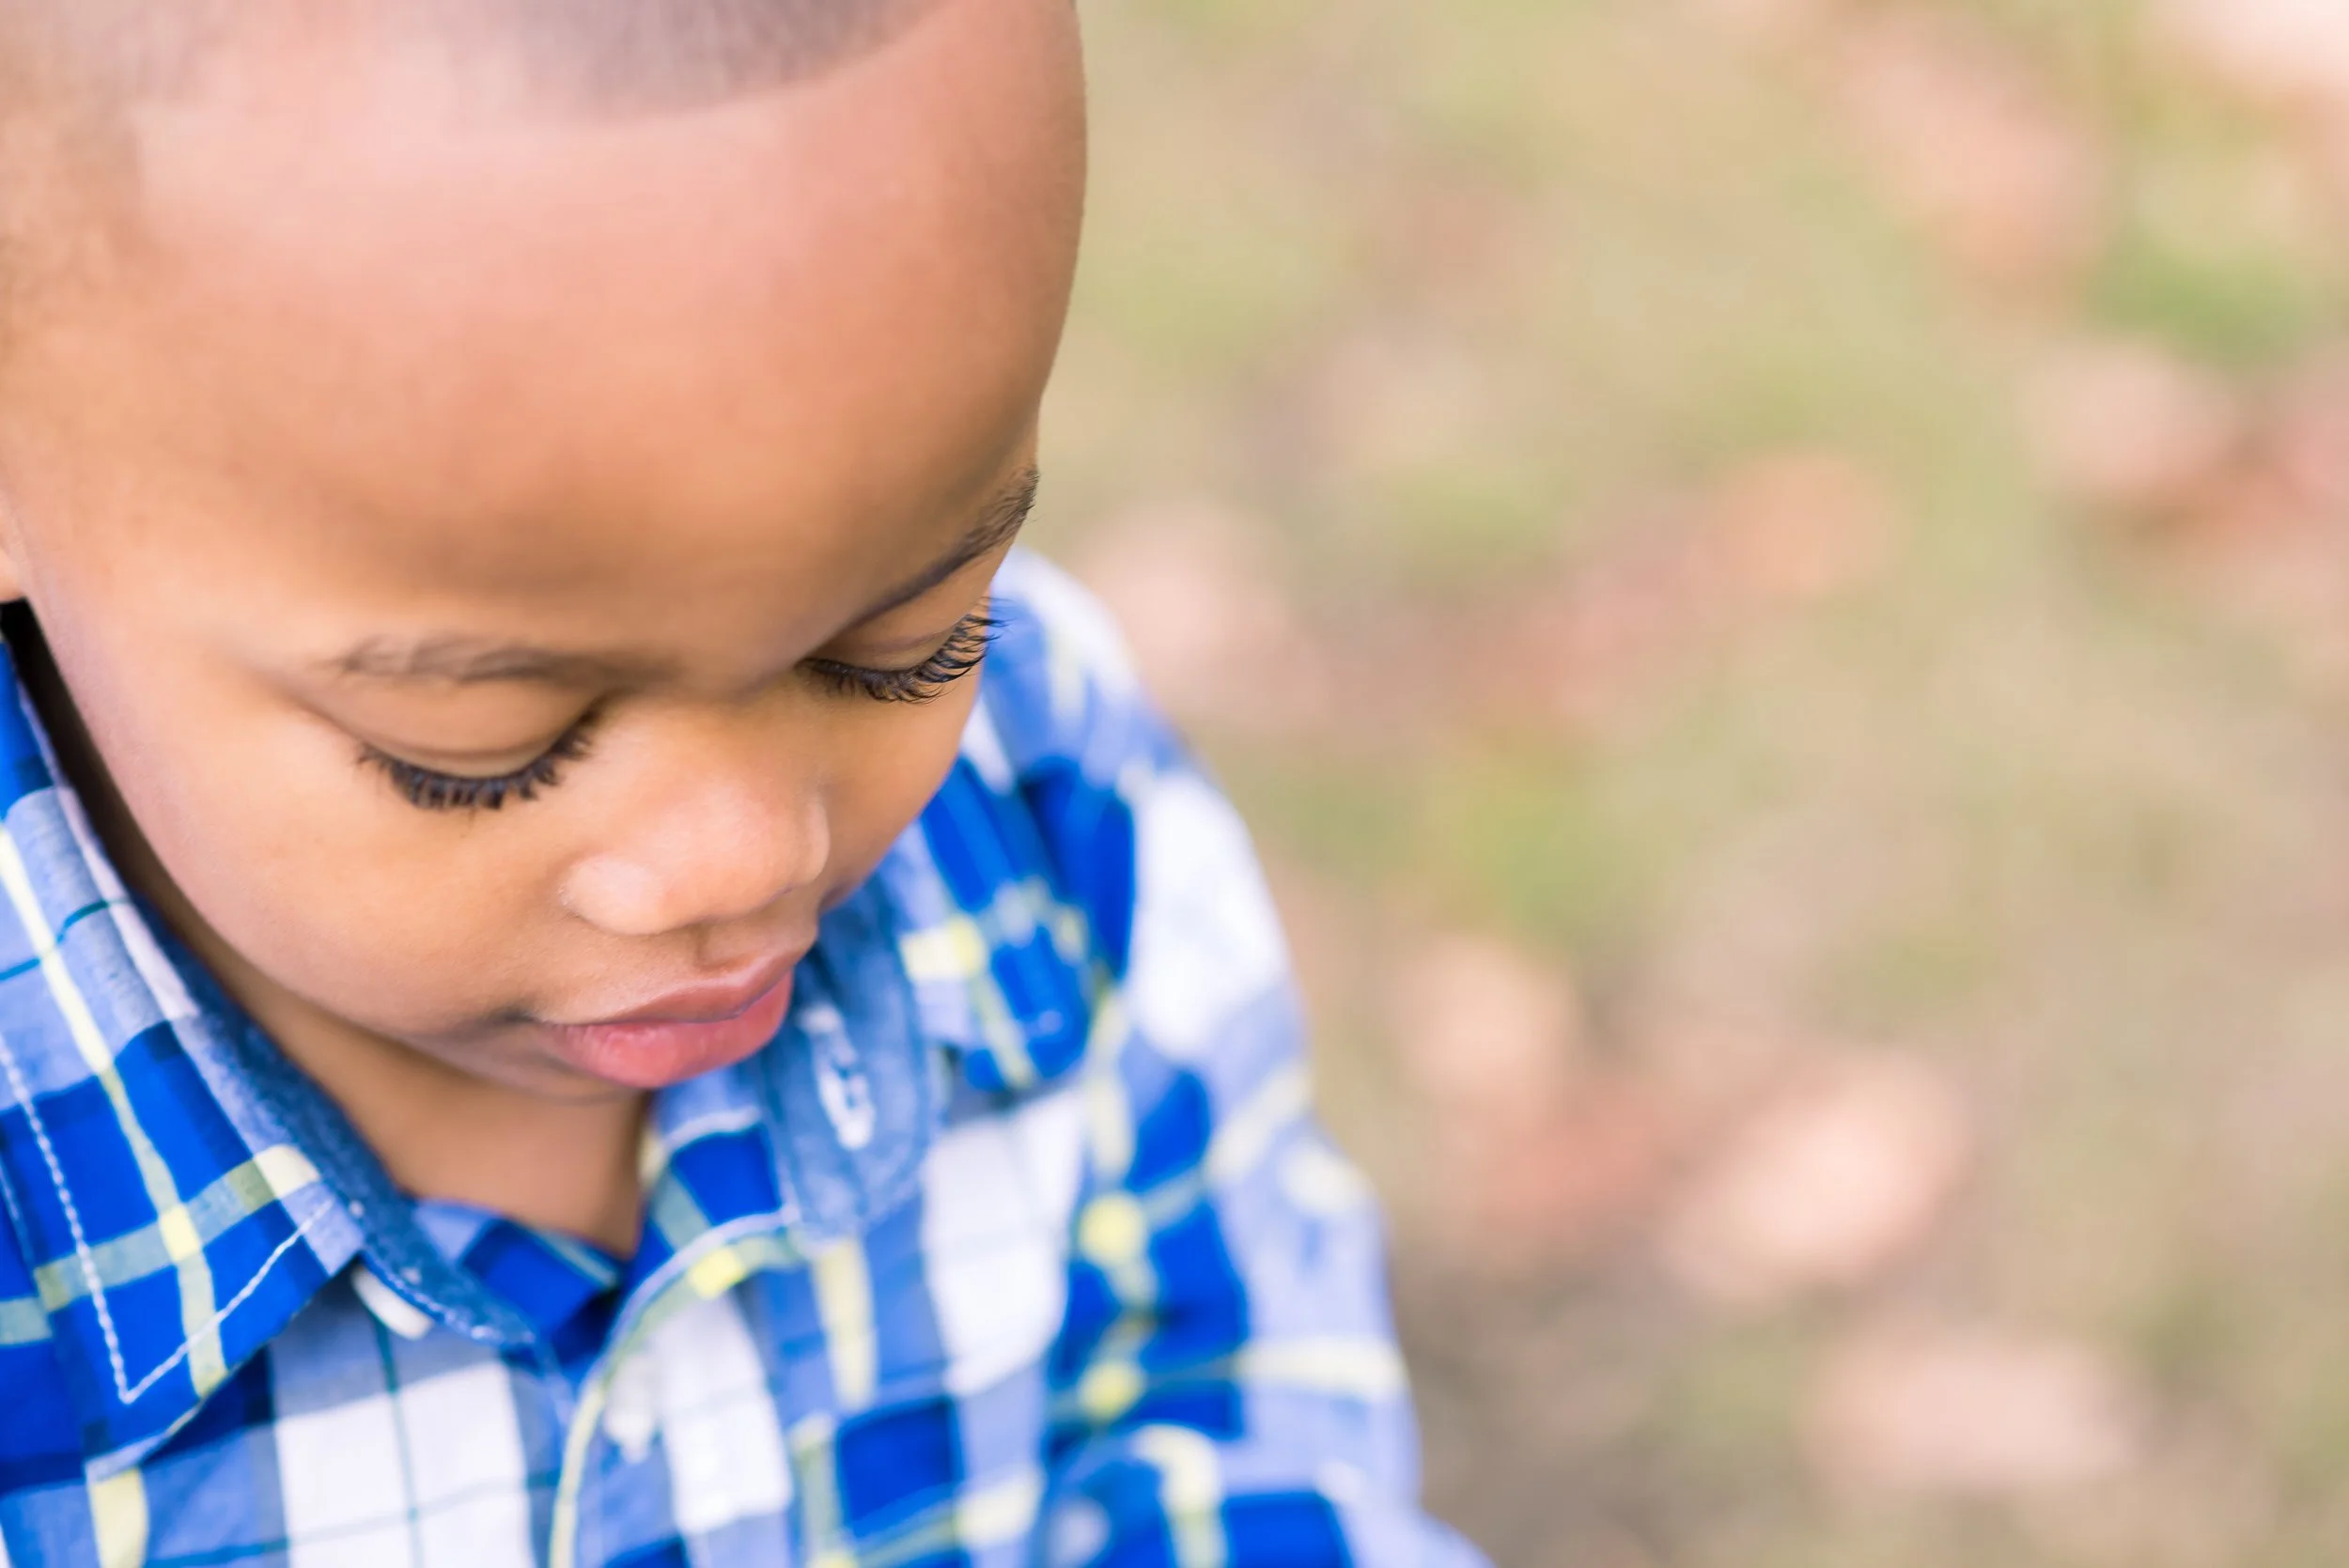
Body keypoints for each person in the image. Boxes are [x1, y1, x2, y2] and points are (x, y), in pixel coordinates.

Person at [0, 3, 1485, 1563]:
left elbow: (1229, 1429)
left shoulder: (1055, 814)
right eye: (481, 753)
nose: (745, 855)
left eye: (903, 644)